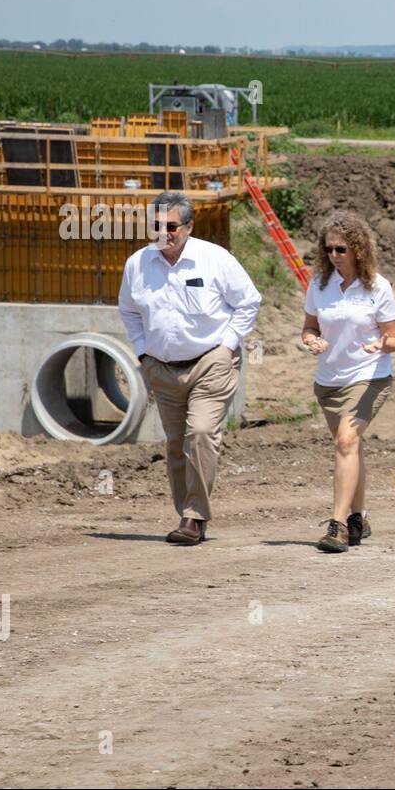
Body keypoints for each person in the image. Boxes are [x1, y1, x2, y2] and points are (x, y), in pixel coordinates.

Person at [118, 191, 262, 545]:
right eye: (155, 226)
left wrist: (228, 346)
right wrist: (141, 354)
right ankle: (186, 513)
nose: (163, 233)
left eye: (170, 226)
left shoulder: (215, 260)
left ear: (189, 226)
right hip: (162, 368)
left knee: (199, 433)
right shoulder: (137, 264)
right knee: (175, 443)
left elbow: (249, 302)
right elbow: (128, 310)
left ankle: (194, 518)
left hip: (211, 360)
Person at [302, 211, 395, 554]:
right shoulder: (319, 285)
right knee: (351, 447)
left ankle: (338, 525)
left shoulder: (378, 287)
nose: (333, 255)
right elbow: (309, 326)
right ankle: (359, 517)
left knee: (346, 441)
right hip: (329, 380)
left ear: (358, 248)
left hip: (370, 376)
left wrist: (380, 344)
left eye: (341, 249)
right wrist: (311, 340)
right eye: (328, 249)